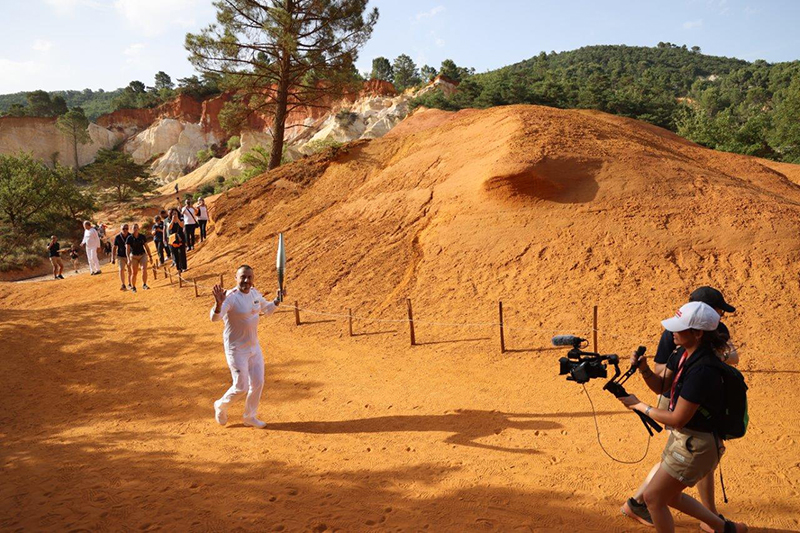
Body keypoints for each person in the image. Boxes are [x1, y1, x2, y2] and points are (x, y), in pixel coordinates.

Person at [618, 302, 747, 533]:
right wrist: (644, 369)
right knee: (671, 496)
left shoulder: (702, 370)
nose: (673, 332)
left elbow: (677, 418)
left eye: (679, 327)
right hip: (685, 441)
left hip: (696, 446)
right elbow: (661, 387)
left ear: (697, 333)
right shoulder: (682, 354)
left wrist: (639, 406)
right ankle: (724, 529)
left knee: (653, 498)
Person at [211, 265, 283, 429]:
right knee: (241, 387)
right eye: (243, 277)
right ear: (236, 278)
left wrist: (277, 301)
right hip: (236, 349)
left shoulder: (255, 293)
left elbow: (267, 309)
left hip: (254, 347)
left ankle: (249, 417)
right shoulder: (230, 297)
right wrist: (218, 304)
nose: (246, 281)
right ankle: (220, 405)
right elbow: (215, 318)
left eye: (249, 277)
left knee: (258, 382)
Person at [126, 223, 153, 293]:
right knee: (134, 273)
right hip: (133, 256)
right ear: (132, 229)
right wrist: (128, 259)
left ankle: (144, 284)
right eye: (134, 228)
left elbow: (146, 247)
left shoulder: (142, 237)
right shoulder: (129, 238)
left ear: (139, 229)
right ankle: (133, 287)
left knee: (144, 269)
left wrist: (150, 256)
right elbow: (127, 249)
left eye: (136, 227)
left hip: (142, 255)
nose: (135, 229)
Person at [111, 224, 131, 291]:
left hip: (129, 256)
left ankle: (130, 283)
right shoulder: (117, 237)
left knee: (130, 270)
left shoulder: (131, 236)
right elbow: (114, 247)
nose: (125, 230)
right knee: (121, 269)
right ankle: (123, 284)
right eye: (123, 229)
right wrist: (112, 258)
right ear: (121, 229)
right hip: (120, 256)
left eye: (126, 228)